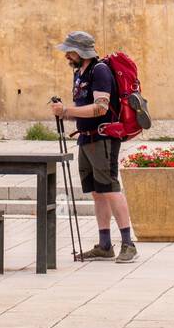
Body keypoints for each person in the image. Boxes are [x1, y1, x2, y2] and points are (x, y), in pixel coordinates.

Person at [49, 30, 137, 263]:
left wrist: (66, 111)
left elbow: (101, 107)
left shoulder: (100, 71)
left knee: (110, 187)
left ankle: (128, 243)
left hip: (103, 137)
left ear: (80, 51)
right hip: (86, 138)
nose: (67, 56)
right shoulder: (79, 73)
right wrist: (63, 112)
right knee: (97, 191)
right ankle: (105, 244)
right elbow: (83, 109)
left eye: (70, 51)